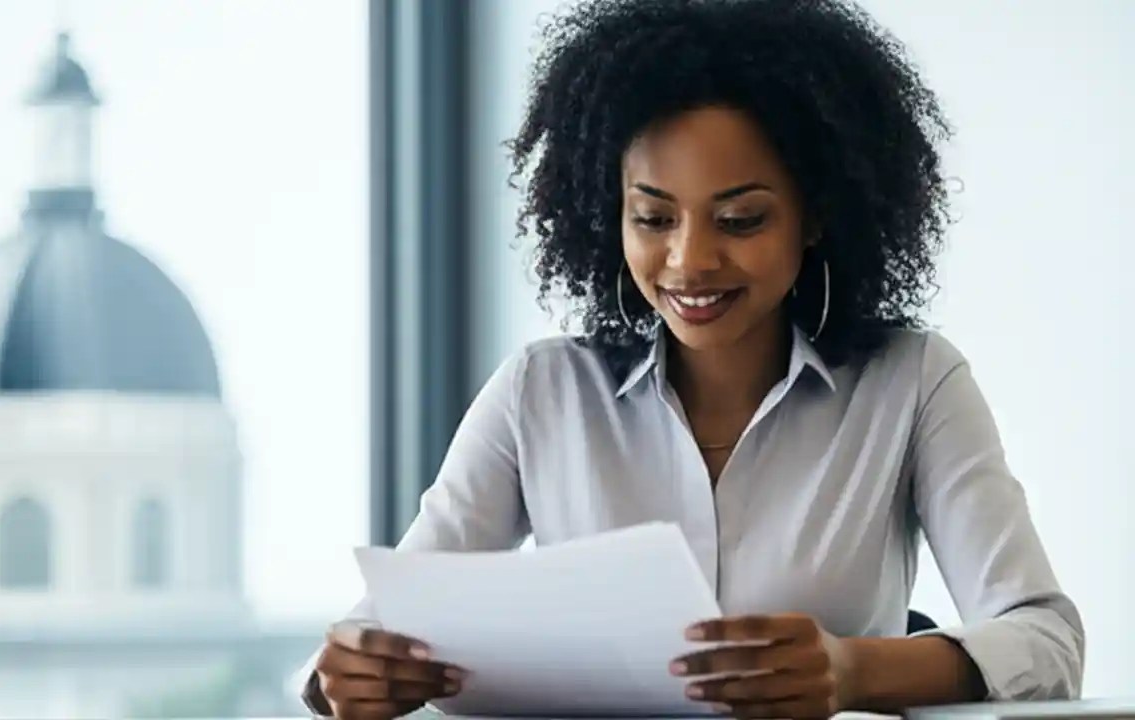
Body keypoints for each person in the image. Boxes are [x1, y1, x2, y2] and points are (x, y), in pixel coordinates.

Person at [303, 0, 1085, 717]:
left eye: (740, 220)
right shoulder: (539, 392)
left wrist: (852, 669)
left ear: (815, 215)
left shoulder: (912, 383)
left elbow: (1046, 642)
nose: (690, 261)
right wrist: (353, 669)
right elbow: (380, 626)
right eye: (653, 218)